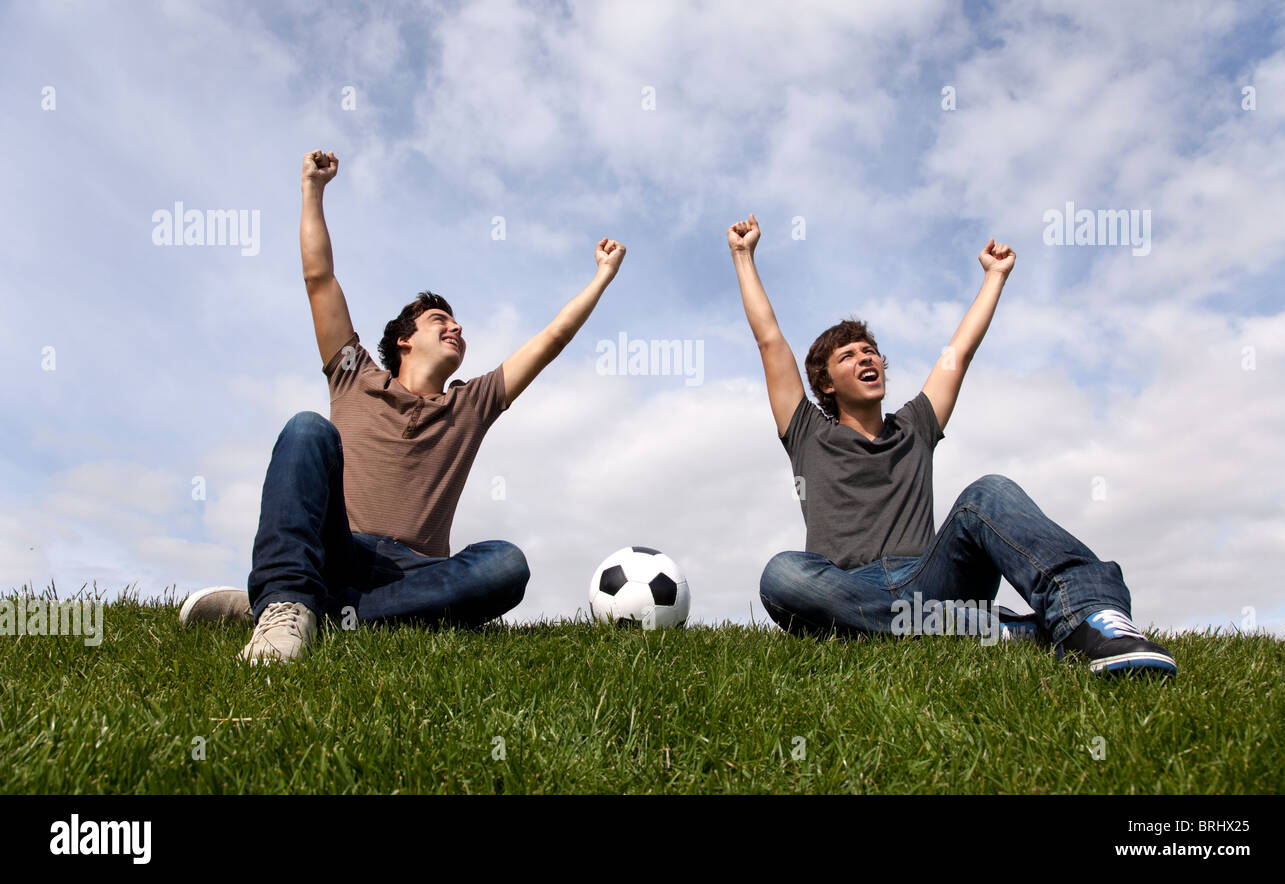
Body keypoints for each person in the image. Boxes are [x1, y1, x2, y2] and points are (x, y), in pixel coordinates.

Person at [180, 150, 627, 664]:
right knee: (307, 428)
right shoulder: (354, 374)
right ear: (404, 341)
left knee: (505, 563)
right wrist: (313, 190)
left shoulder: (473, 402)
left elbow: (553, 337)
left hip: (416, 570)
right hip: (339, 549)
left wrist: (602, 275)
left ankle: (305, 610)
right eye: (441, 320)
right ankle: (284, 603)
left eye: (458, 323)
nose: (455, 327)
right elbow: (319, 278)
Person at [727, 213, 1176, 676]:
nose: (866, 358)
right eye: (849, 356)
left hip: (932, 580)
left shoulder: (914, 425)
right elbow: (770, 341)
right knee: (782, 574)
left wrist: (995, 278)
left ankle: (1094, 621)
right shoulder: (807, 431)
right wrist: (743, 255)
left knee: (991, 491)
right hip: (848, 586)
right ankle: (981, 629)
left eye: (870, 352)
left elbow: (958, 353)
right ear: (825, 382)